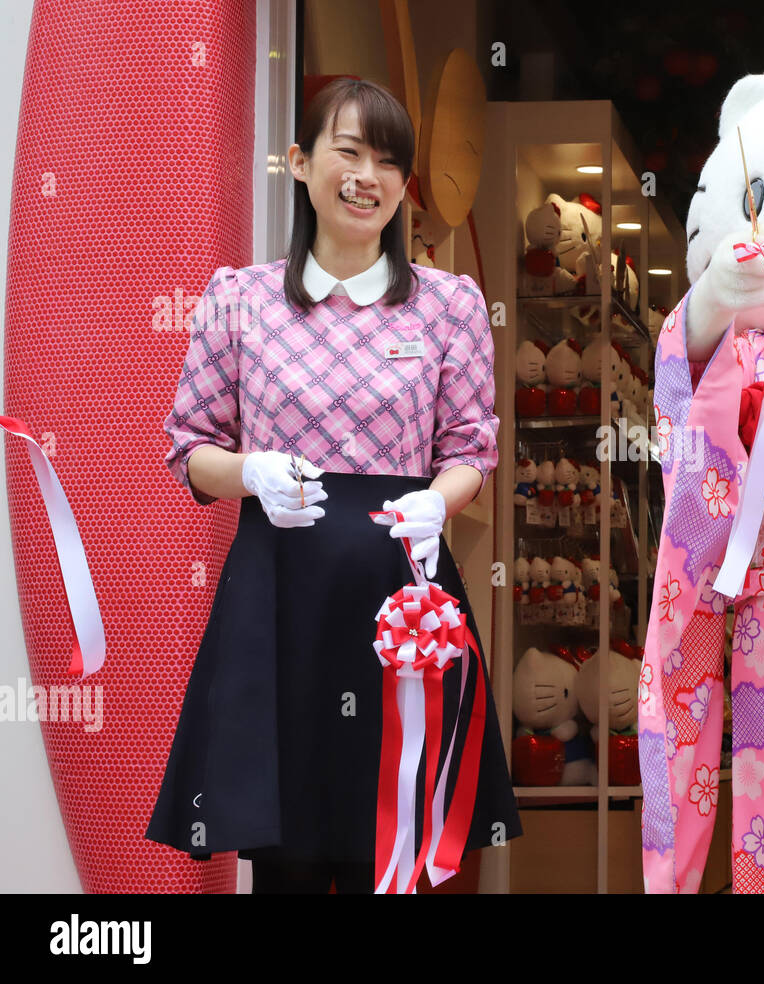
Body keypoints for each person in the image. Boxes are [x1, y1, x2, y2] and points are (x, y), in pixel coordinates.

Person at [145, 78, 521, 893]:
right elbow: (189, 449)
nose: (369, 177)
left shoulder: (448, 305)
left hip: (403, 597)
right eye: (349, 152)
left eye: (390, 161)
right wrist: (251, 473)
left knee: (395, 840)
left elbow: (470, 449)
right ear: (300, 162)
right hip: (281, 595)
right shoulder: (237, 299)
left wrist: (441, 499)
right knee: (289, 849)